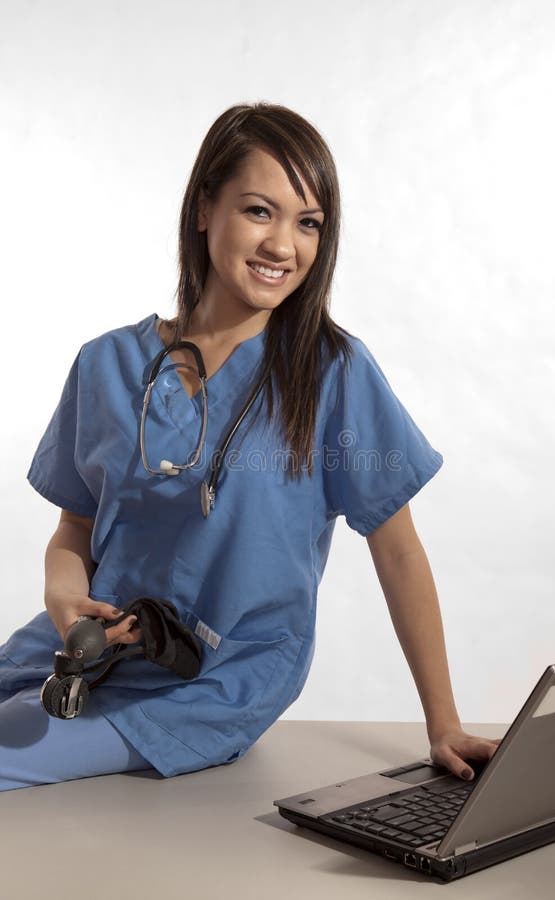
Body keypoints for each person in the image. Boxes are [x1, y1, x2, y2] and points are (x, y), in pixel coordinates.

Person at [0, 102, 500, 791]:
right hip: (91, 647)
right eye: (260, 211)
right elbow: (73, 532)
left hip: (221, 675)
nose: (284, 246)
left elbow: (399, 549)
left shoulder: (332, 374)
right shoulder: (106, 365)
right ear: (205, 208)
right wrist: (64, 597)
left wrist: (443, 722)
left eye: (309, 223)